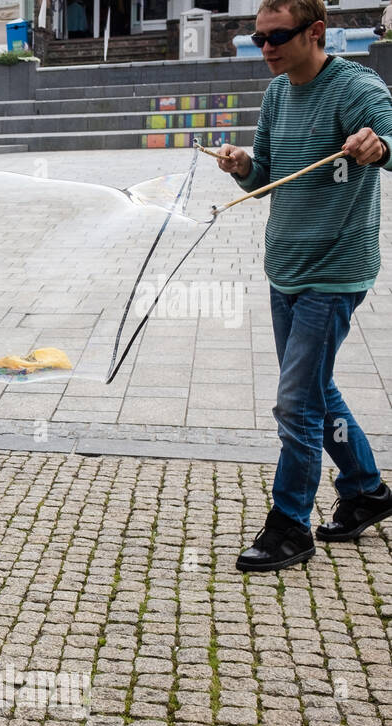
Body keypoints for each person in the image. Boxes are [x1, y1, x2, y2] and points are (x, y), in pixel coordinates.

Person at [215, 0, 392, 572]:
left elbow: (388, 132)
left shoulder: (355, 87)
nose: (264, 47)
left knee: (296, 400)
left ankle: (290, 525)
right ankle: (366, 489)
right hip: (285, 269)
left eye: (276, 37)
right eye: (258, 36)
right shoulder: (276, 93)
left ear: (316, 32)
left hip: (335, 271)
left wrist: (379, 146)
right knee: (315, 390)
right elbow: (266, 175)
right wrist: (244, 164)